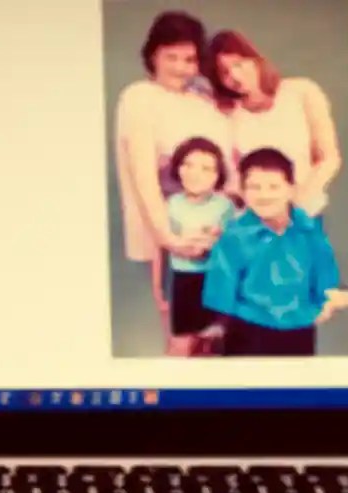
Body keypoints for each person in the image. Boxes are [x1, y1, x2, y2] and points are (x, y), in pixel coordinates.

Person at [114, 11, 231, 318]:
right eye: (172, 57)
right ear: (154, 55)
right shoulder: (139, 97)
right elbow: (143, 176)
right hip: (173, 231)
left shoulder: (203, 96)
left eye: (190, 59)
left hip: (218, 226)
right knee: (184, 334)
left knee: (221, 335)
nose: (181, 68)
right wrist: (170, 239)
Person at [201, 148, 348, 357]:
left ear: (291, 190)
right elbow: (221, 294)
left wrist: (328, 303)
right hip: (248, 331)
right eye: (254, 187)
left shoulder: (309, 232)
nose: (264, 195)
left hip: (300, 329)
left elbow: (325, 276)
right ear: (243, 191)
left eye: (274, 187)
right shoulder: (233, 238)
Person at [203, 30, 342, 217]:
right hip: (253, 219)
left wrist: (295, 204)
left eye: (239, 64)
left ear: (254, 59)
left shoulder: (302, 92)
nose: (235, 76)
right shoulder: (231, 115)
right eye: (225, 73)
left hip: (305, 213)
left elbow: (329, 159)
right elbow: (233, 178)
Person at [163, 136, 237, 356]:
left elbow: (230, 246)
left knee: (214, 339)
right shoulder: (171, 205)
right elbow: (162, 244)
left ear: (218, 175)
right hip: (182, 279)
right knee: (183, 340)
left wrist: (213, 240)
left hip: (215, 279)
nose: (196, 173)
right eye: (188, 165)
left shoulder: (224, 206)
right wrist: (159, 290)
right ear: (178, 168)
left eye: (207, 168)